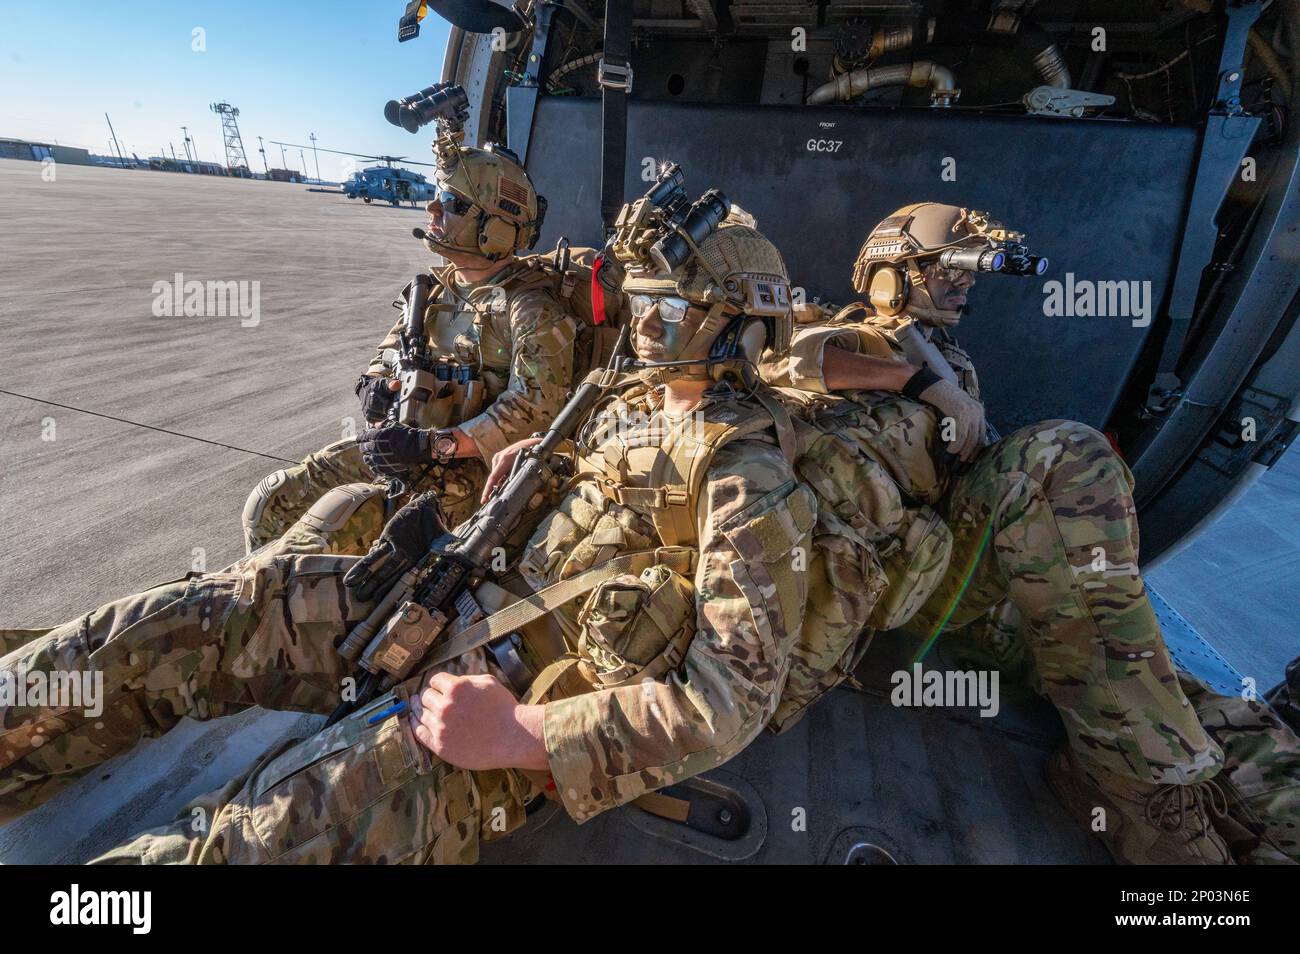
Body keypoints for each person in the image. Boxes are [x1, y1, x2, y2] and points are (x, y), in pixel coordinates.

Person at [0, 201, 816, 864]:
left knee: (264, 837)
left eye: (668, 308)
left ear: (742, 328)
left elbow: (726, 704)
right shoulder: (631, 400)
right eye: (639, 300)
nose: (643, 325)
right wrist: (532, 459)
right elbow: (573, 452)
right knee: (193, 620)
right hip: (445, 595)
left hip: (508, 706)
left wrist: (519, 734)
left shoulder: (747, 478)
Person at [765, 202, 1290, 865]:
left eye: (969, 274)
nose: (963, 284)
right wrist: (921, 383)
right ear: (886, 272)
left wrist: (948, 387)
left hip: (979, 586)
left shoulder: (950, 358)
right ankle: (1134, 789)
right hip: (895, 577)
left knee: (1206, 708)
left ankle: (1238, 816)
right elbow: (789, 361)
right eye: (945, 270)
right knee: (1064, 455)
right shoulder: (854, 330)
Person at [240, 137, 578, 554]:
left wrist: (436, 445)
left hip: (472, 471)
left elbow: (535, 408)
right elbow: (389, 352)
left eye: (453, 204)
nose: (432, 210)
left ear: (498, 228)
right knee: (269, 504)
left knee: (330, 533)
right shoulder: (433, 291)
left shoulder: (530, 309)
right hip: (407, 444)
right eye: (438, 198)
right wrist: (376, 384)